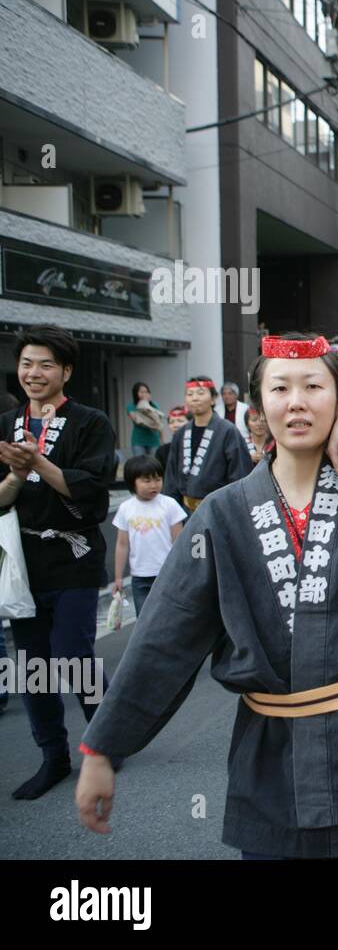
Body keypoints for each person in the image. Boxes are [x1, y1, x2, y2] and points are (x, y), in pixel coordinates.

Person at [76, 333, 338, 858]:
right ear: (258, 407)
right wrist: (103, 747)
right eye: (280, 388)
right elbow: (168, 633)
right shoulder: (222, 512)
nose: (296, 401)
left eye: (314, 387)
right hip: (272, 749)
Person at [0, 324, 117, 800]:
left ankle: (107, 742)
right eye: (27, 363)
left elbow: (92, 495)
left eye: (46, 364)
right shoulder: (6, 422)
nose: (34, 372)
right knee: (31, 666)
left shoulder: (91, 422)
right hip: (24, 563)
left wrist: (39, 465)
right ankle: (53, 757)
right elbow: (2, 497)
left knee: (72, 654)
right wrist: (14, 475)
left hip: (74, 554)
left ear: (66, 371)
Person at [163, 376, 253, 513]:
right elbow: (171, 476)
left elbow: (239, 474)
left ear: (213, 398)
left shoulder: (228, 431)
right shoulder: (181, 433)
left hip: (218, 511)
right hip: (184, 510)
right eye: (190, 394)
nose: (194, 398)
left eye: (200, 393)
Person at [112, 455, 186, 616]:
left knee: (168, 618)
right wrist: (118, 577)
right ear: (133, 482)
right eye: (146, 481)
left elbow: (179, 542)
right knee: (144, 621)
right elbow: (122, 544)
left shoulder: (169, 504)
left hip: (166, 573)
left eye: (158, 479)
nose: (154, 485)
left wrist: (182, 570)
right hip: (140, 577)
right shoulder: (126, 508)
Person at [127, 382, 164, 458]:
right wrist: (144, 404)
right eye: (142, 392)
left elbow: (160, 424)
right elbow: (140, 421)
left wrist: (162, 439)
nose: (144, 394)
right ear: (136, 393)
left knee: (154, 464)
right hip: (139, 441)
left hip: (154, 441)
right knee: (140, 465)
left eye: (146, 392)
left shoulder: (155, 405)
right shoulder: (131, 407)